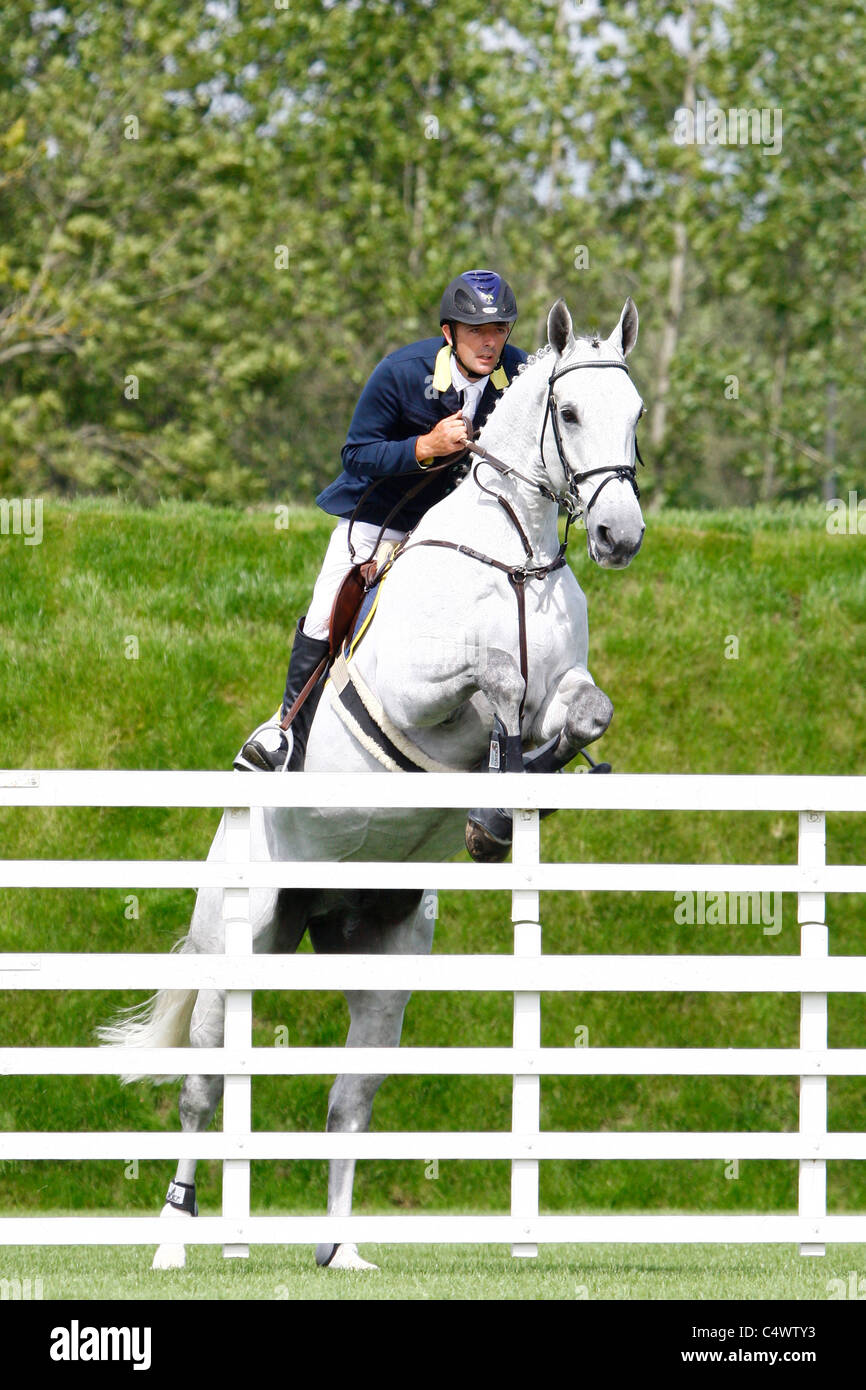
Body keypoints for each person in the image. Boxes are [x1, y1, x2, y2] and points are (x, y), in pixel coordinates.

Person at [234, 269, 526, 772]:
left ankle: (521, 745)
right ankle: (286, 732)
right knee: (328, 612)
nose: (490, 342)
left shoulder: (517, 373)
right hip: (379, 521)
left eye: (499, 329)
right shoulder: (399, 373)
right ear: (448, 333)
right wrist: (424, 448)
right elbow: (356, 454)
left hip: (457, 532)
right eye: (477, 330)